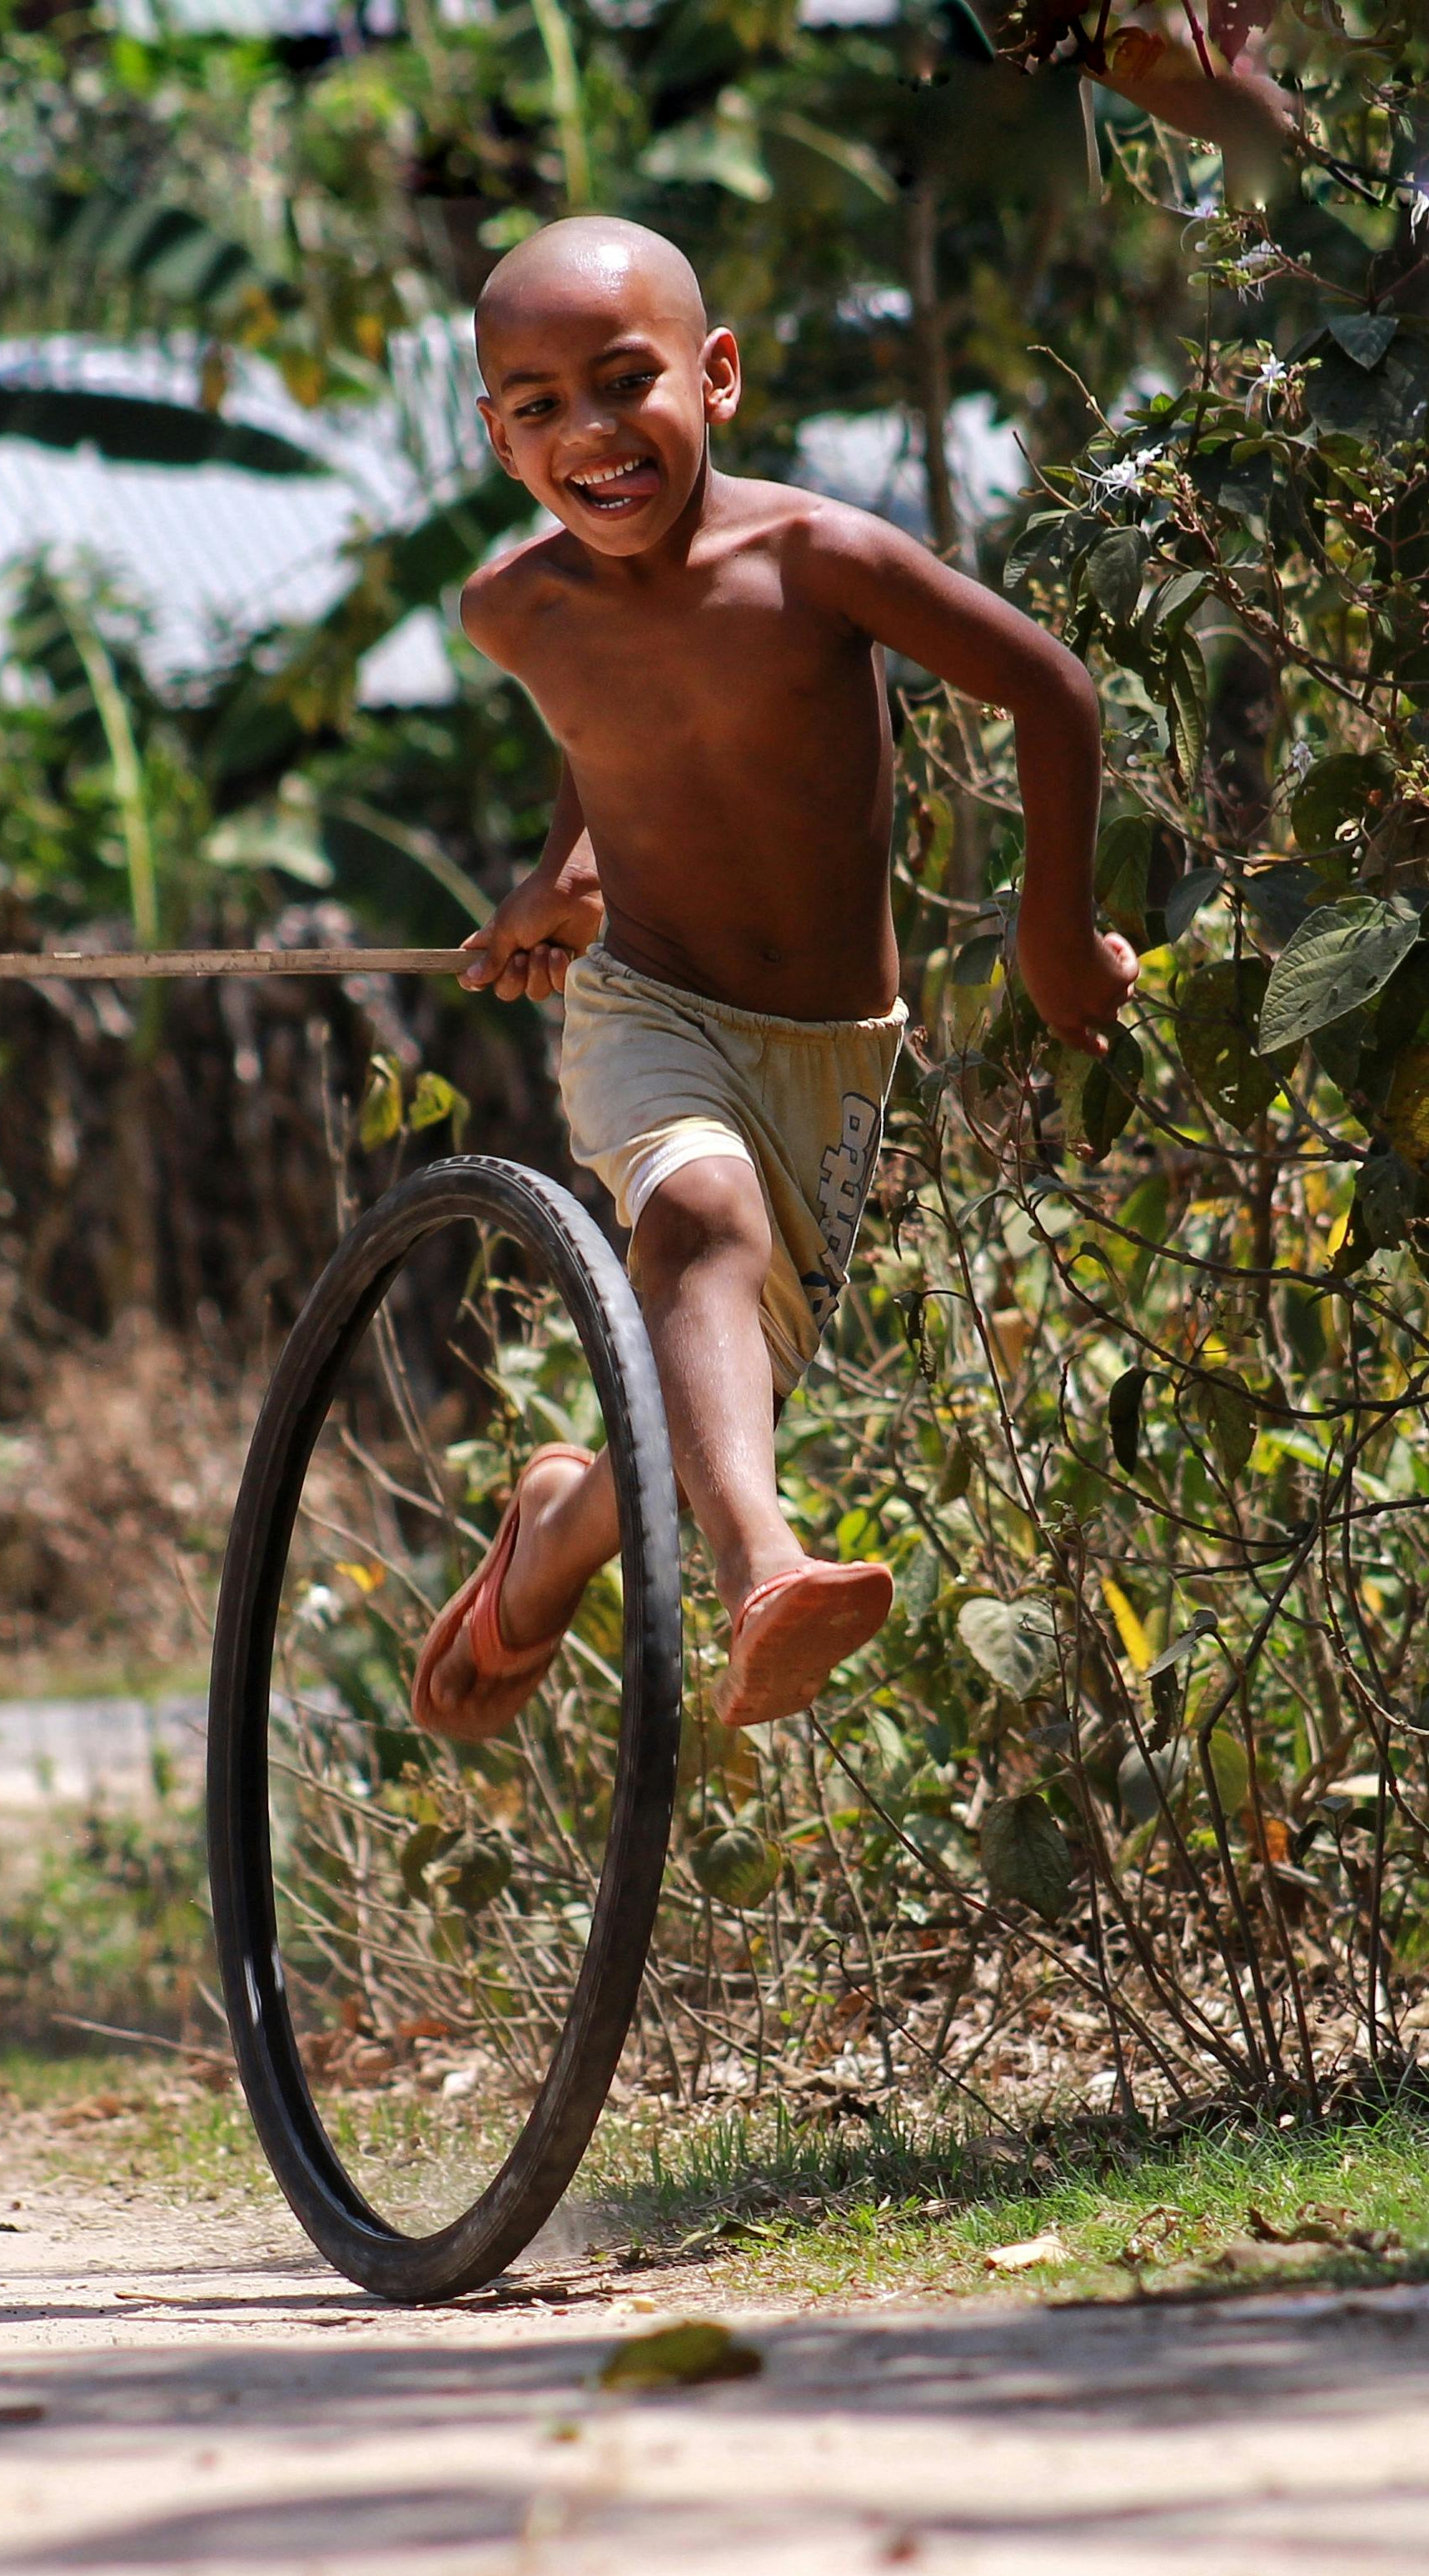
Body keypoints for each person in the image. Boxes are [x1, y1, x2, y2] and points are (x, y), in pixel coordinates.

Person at [410, 213, 1138, 1740]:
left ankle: (553, 1530)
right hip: (649, 1009)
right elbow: (601, 741)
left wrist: (1051, 928)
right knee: (698, 1216)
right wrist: (564, 879)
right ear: (497, 437)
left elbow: (1050, 692)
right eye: (539, 407)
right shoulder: (515, 610)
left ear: (715, 374)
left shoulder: (816, 558)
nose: (592, 436)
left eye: (626, 384)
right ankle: (764, 1574)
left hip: (830, 1050)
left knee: (703, 1383)